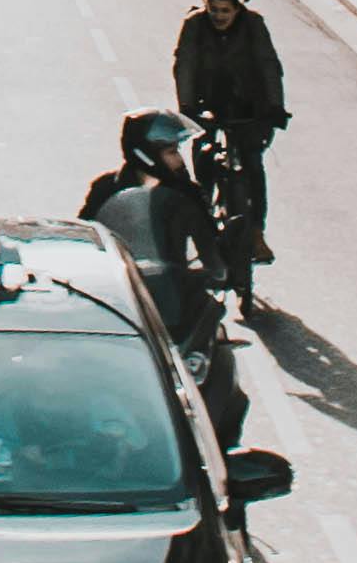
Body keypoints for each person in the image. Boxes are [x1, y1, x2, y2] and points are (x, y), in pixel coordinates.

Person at [79, 109, 244, 440]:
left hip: (176, 300)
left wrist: (218, 267)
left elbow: (208, 246)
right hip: (123, 298)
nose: (178, 160)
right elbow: (85, 237)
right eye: (170, 151)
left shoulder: (187, 193)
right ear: (146, 152)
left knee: (221, 362)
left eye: (176, 151)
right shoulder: (106, 189)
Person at [172, 0, 289, 277]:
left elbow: (268, 64)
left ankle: (256, 233)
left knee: (253, 165)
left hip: (247, 103)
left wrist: (275, 107)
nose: (219, 16)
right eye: (213, 10)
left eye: (225, 11)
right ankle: (203, 225)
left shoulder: (253, 25)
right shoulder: (194, 25)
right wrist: (187, 108)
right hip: (207, 102)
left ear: (237, 9)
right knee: (203, 159)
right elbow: (185, 64)